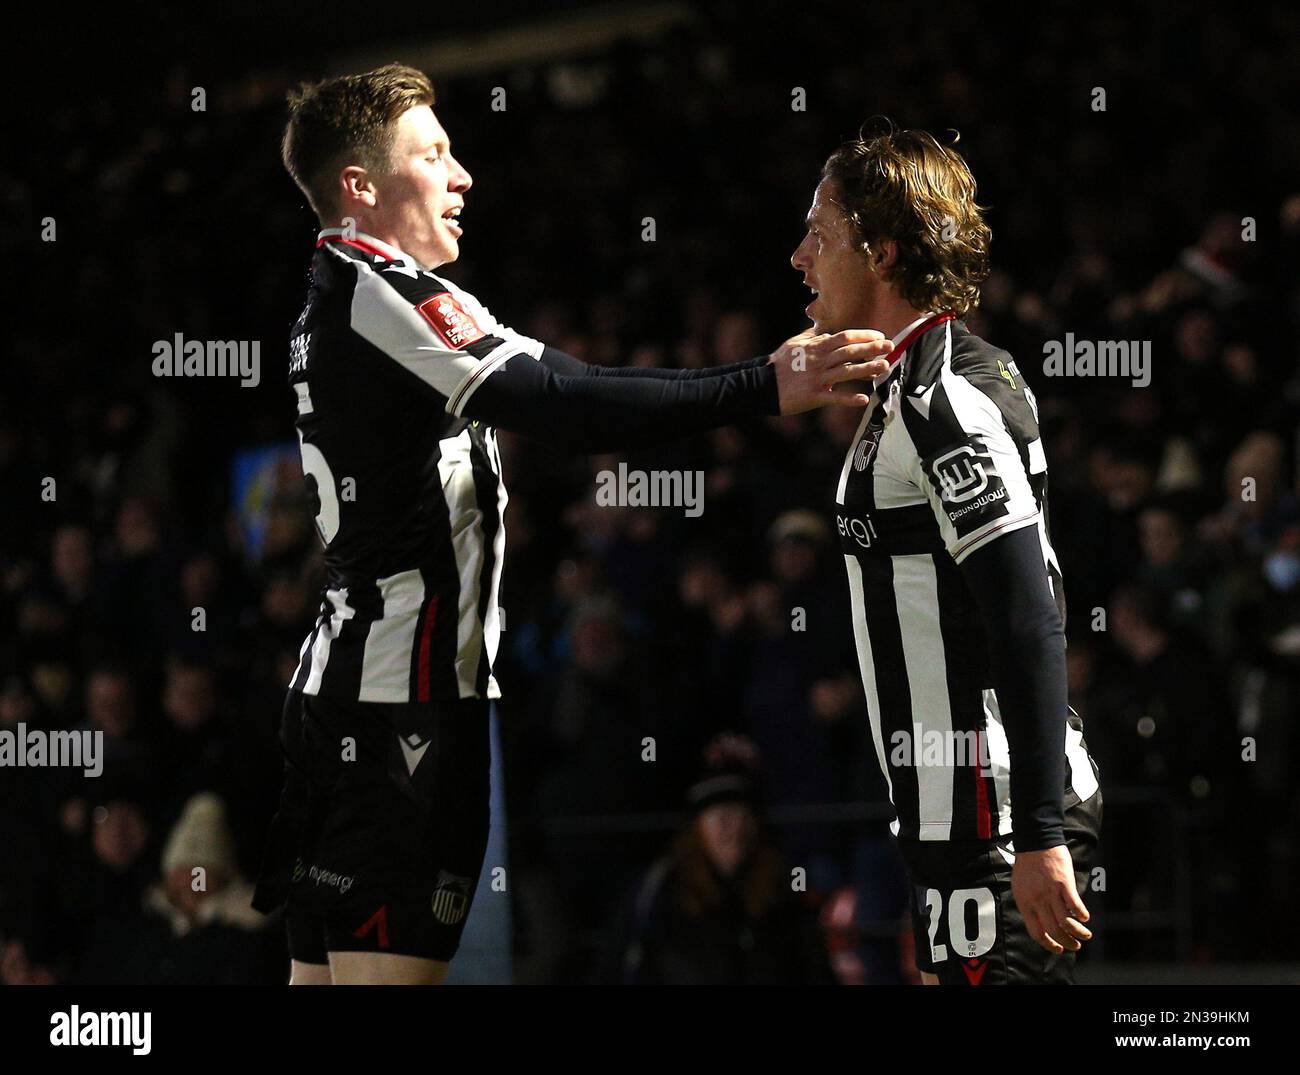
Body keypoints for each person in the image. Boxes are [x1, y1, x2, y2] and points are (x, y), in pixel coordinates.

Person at [251, 63, 895, 985]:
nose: (462, 174)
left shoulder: (333, 296)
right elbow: (562, 397)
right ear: (360, 187)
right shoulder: (382, 290)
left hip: (344, 694)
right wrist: (763, 382)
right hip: (406, 703)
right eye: (433, 154)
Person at [790, 125, 1102, 984]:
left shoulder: (943, 401)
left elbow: (1026, 612)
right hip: (950, 808)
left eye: (819, 233)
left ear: (882, 254)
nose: (798, 257)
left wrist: (1038, 829)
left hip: (991, 812)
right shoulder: (912, 387)